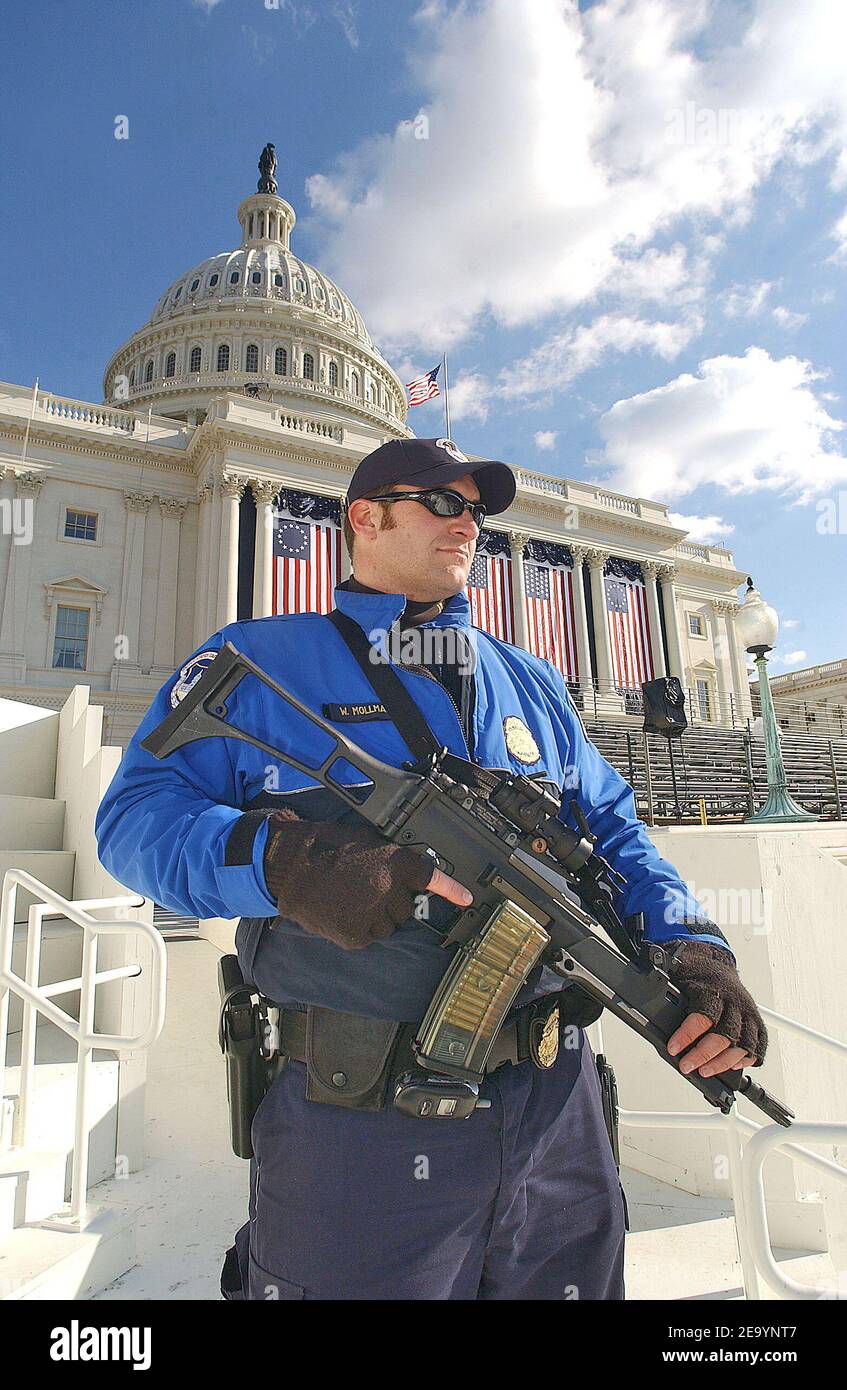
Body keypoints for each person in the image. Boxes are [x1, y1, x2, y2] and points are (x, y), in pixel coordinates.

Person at [95, 437, 767, 1301]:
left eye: (477, 512)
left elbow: (616, 834)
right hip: (359, 1123)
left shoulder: (530, 681)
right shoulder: (259, 662)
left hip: (557, 1112)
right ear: (364, 519)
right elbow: (135, 823)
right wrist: (288, 862)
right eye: (441, 504)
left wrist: (691, 947)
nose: (468, 526)